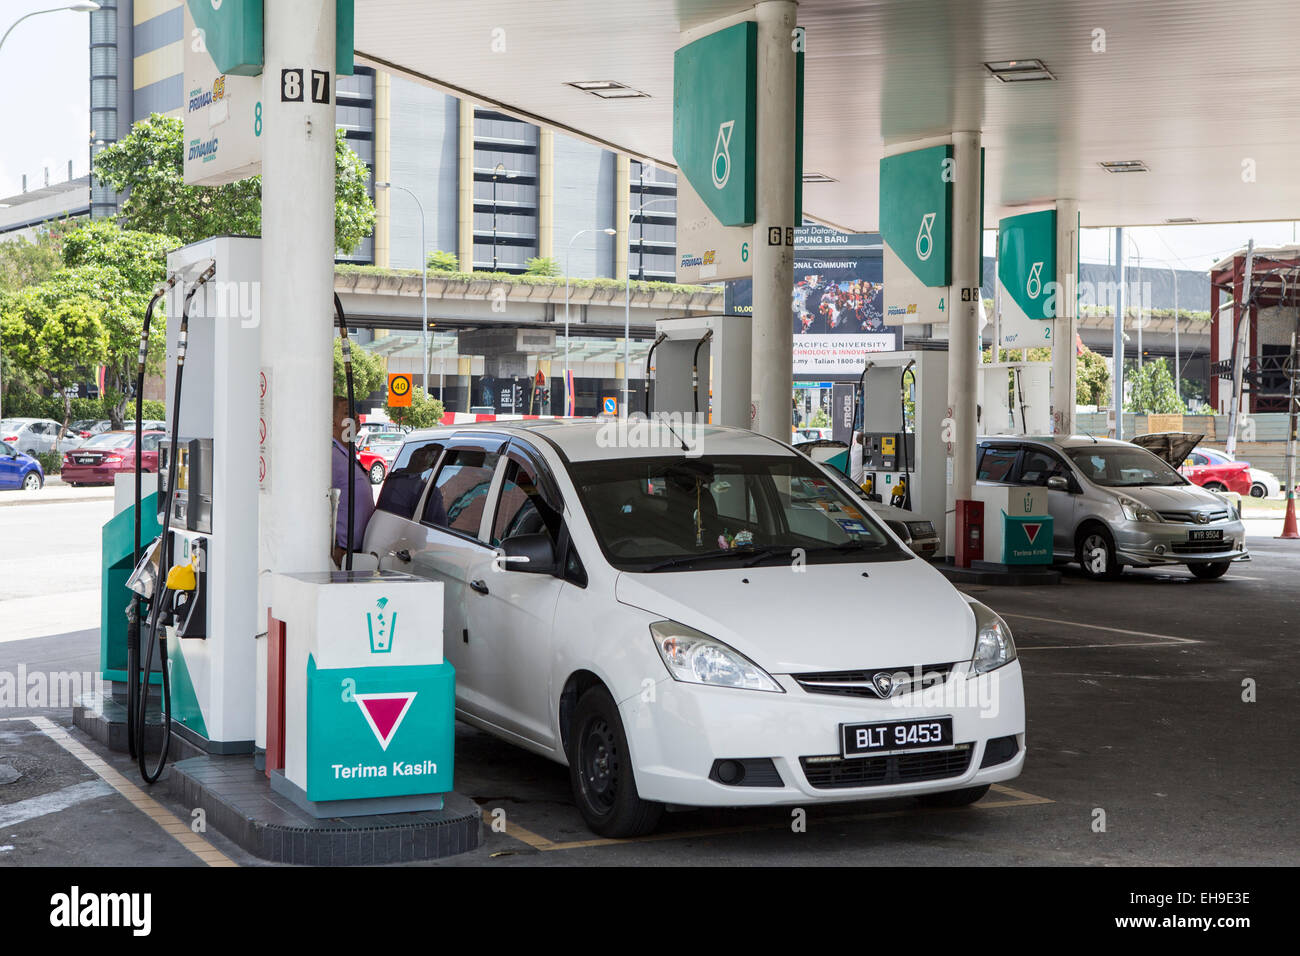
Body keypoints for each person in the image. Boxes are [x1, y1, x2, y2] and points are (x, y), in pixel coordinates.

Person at [331, 401, 376, 567]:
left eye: (355, 411)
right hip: (342, 554)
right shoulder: (332, 457)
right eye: (347, 412)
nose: (355, 416)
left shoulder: (345, 455)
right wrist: (334, 546)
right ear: (332, 422)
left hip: (355, 553)